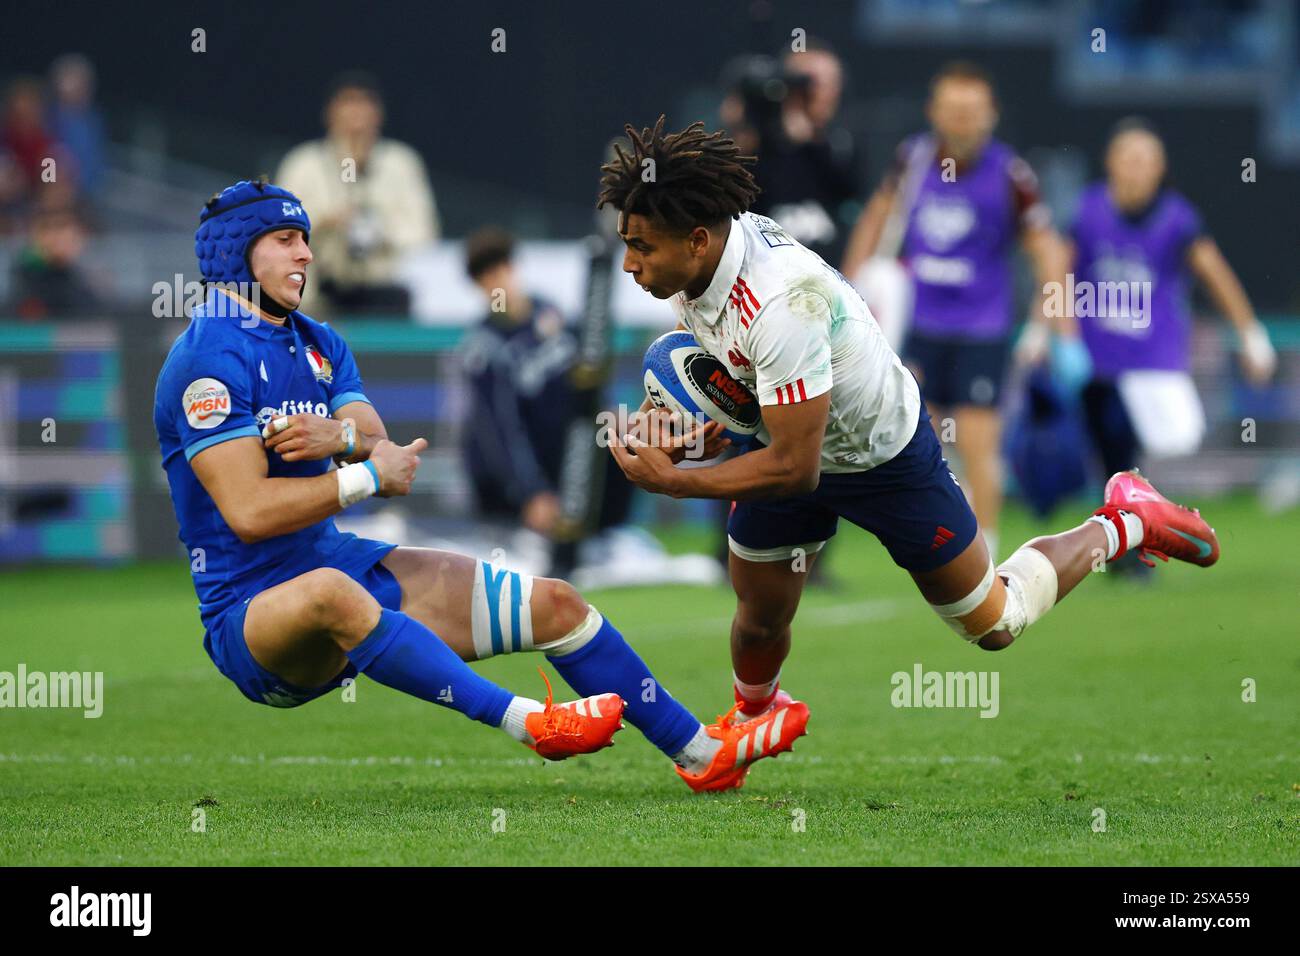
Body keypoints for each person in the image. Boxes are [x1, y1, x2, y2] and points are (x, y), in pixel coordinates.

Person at [154, 179, 801, 791]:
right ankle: (530, 722)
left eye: (305, 237)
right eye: (285, 240)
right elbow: (249, 513)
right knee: (331, 592)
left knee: (557, 604)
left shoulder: (316, 340)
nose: (306, 252)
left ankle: (701, 754)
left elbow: (374, 439)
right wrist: (365, 474)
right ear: (236, 255)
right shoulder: (205, 360)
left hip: (336, 561)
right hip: (252, 616)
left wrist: (347, 444)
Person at [600, 117, 1221, 740]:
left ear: (699, 240)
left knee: (995, 624)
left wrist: (678, 482)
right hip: (793, 439)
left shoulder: (783, 301)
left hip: (881, 455)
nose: (630, 263)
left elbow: (795, 469)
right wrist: (705, 422)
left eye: (642, 247)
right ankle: (755, 719)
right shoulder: (694, 267)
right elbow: (736, 370)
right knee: (759, 616)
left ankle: (1124, 520)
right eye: (627, 242)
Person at [841, 62, 1072, 560]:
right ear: (934, 113)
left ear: (991, 116)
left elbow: (1046, 249)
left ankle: (986, 558)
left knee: (977, 447)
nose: (962, 122)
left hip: (980, 333)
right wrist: (846, 289)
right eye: (952, 111)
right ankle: (934, 548)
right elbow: (877, 218)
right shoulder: (912, 160)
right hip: (916, 329)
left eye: (972, 112)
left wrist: (1046, 323)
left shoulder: (1011, 174)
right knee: (915, 445)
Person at [1069, 118, 1275, 479]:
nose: (1136, 169)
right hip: (1097, 361)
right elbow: (1058, 273)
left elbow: (1217, 275)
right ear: (1110, 162)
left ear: (1160, 168)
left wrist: (1250, 334)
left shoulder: (1178, 218)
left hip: (1154, 360)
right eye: (1128, 158)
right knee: (1108, 460)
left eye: (1145, 160)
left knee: (1178, 441)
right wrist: (1047, 333)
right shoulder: (1087, 210)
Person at [459, 226, 631, 540]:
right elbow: (500, 431)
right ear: (478, 285)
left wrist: (608, 413)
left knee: (624, 433)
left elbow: (586, 378)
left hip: (567, 451)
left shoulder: (551, 316)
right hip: (515, 475)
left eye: (503, 269)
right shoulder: (483, 349)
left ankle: (608, 533)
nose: (499, 282)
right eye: (487, 277)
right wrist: (531, 492)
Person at [275, 72, 437, 315]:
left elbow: (423, 231)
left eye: (364, 105)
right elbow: (278, 229)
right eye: (348, 104)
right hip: (319, 291)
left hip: (382, 291)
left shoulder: (400, 163)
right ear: (330, 113)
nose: (356, 116)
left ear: (378, 115)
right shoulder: (303, 164)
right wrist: (325, 221)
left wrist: (380, 231)